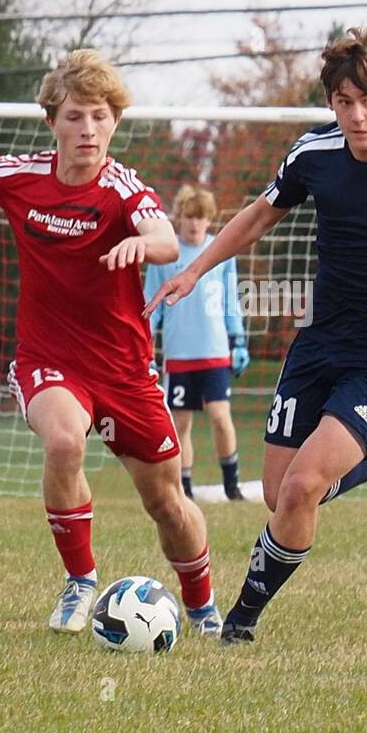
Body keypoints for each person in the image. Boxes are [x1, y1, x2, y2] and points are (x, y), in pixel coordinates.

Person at [146, 27, 367, 645]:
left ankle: (238, 624)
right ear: (331, 102)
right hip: (319, 340)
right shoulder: (313, 156)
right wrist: (193, 270)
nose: (357, 114)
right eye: (344, 101)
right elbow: (257, 216)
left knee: (302, 487)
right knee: (281, 495)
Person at [0, 49, 223, 637]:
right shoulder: (20, 177)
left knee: (165, 501)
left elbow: (167, 239)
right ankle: (80, 580)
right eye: (73, 116)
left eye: (98, 116)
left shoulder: (124, 189)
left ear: (114, 122)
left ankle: (203, 608)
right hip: (49, 359)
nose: (87, 129)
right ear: (52, 122)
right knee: (64, 440)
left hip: (124, 369)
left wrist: (140, 245)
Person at [143, 186, 249, 502]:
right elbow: (152, 304)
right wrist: (145, 349)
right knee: (181, 422)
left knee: (220, 416)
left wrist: (238, 341)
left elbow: (231, 300)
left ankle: (232, 484)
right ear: (179, 218)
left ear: (209, 220)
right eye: (189, 217)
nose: (194, 224)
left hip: (214, 351)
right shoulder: (166, 253)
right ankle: (184, 488)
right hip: (179, 354)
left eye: (200, 218)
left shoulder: (219, 251)